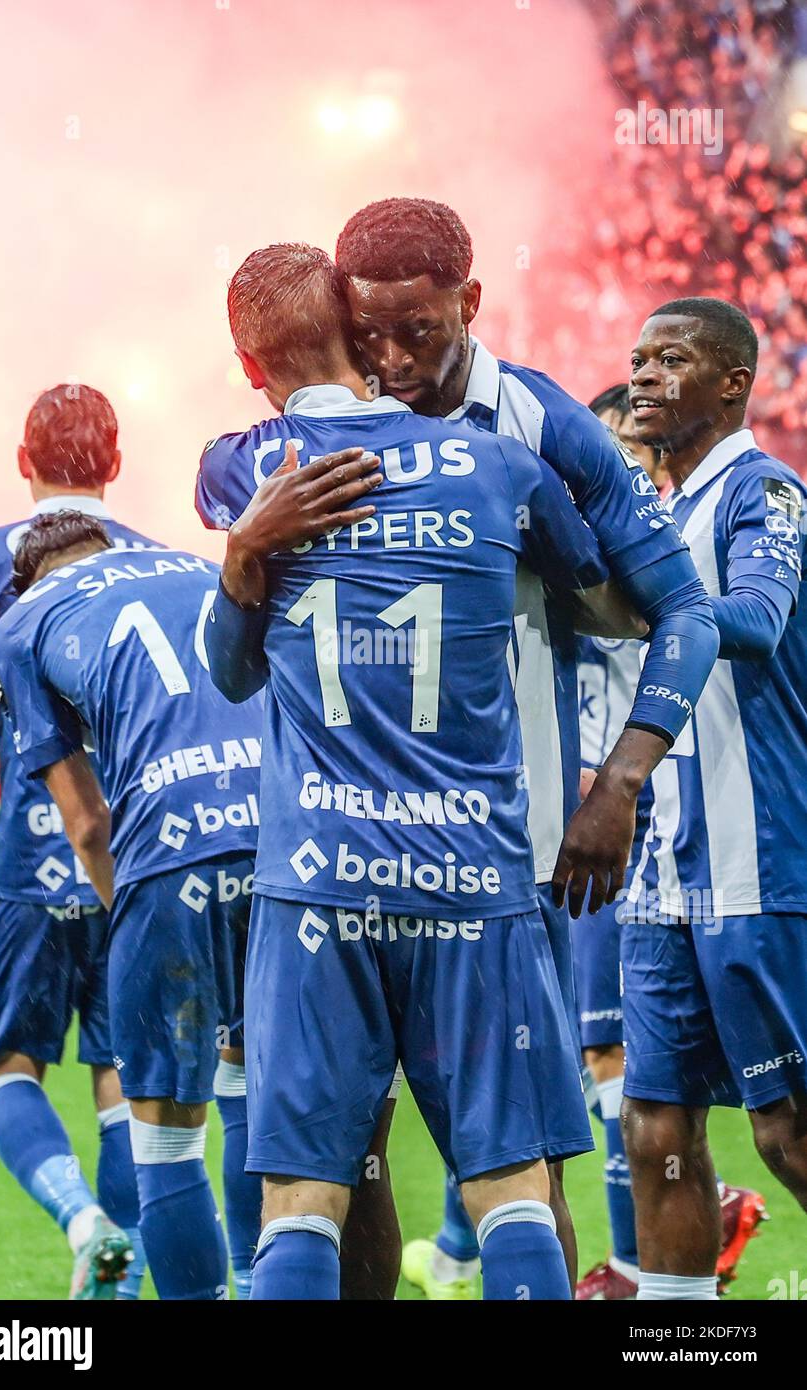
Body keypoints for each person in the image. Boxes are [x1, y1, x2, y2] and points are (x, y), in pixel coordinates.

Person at [196, 242, 713, 1300]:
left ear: (251, 368)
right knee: (514, 1185)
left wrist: (244, 556)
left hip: (317, 881)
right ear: (352, 324)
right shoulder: (502, 469)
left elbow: (231, 668)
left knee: (303, 1196)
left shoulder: (237, 468)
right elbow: (602, 594)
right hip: (474, 877)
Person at [334, 196, 720, 1297]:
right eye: (372, 334)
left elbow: (683, 611)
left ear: (472, 301)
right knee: (338, 1160)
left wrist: (622, 782)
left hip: (508, 854)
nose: (394, 359)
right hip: (342, 855)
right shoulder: (328, 415)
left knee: (517, 1162)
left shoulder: (546, 426)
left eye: (420, 331)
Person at [0, 512, 264, 1300]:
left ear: (31, 576)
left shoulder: (21, 624)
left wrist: (135, 911)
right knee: (254, 1092)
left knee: (168, 1139)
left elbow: (88, 822)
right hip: (283, 844)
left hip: (169, 863)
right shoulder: (191, 563)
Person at [0, 385, 153, 1298]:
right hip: (136, 859)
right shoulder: (155, 562)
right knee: (121, 1078)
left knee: (1, 1066)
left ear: (23, 463)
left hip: (32, 859)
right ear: (114, 464)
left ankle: (83, 1219)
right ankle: (122, 1265)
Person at [622, 297, 807, 1301]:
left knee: (786, 1128)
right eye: (638, 358)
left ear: (730, 382)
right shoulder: (659, 512)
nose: (644, 374)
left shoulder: (761, 489)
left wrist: (649, 605)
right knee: (654, 1124)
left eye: (671, 359)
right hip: (663, 864)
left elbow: (758, 619)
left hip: (758, 852)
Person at [572, 385, 766, 1300]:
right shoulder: (599, 537)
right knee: (638, 1098)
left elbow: (752, 624)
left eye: (624, 450)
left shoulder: (716, 518)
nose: (613, 464)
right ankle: (663, 1295)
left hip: (688, 838)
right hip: (621, 849)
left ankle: (630, 1263)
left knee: (777, 1125)